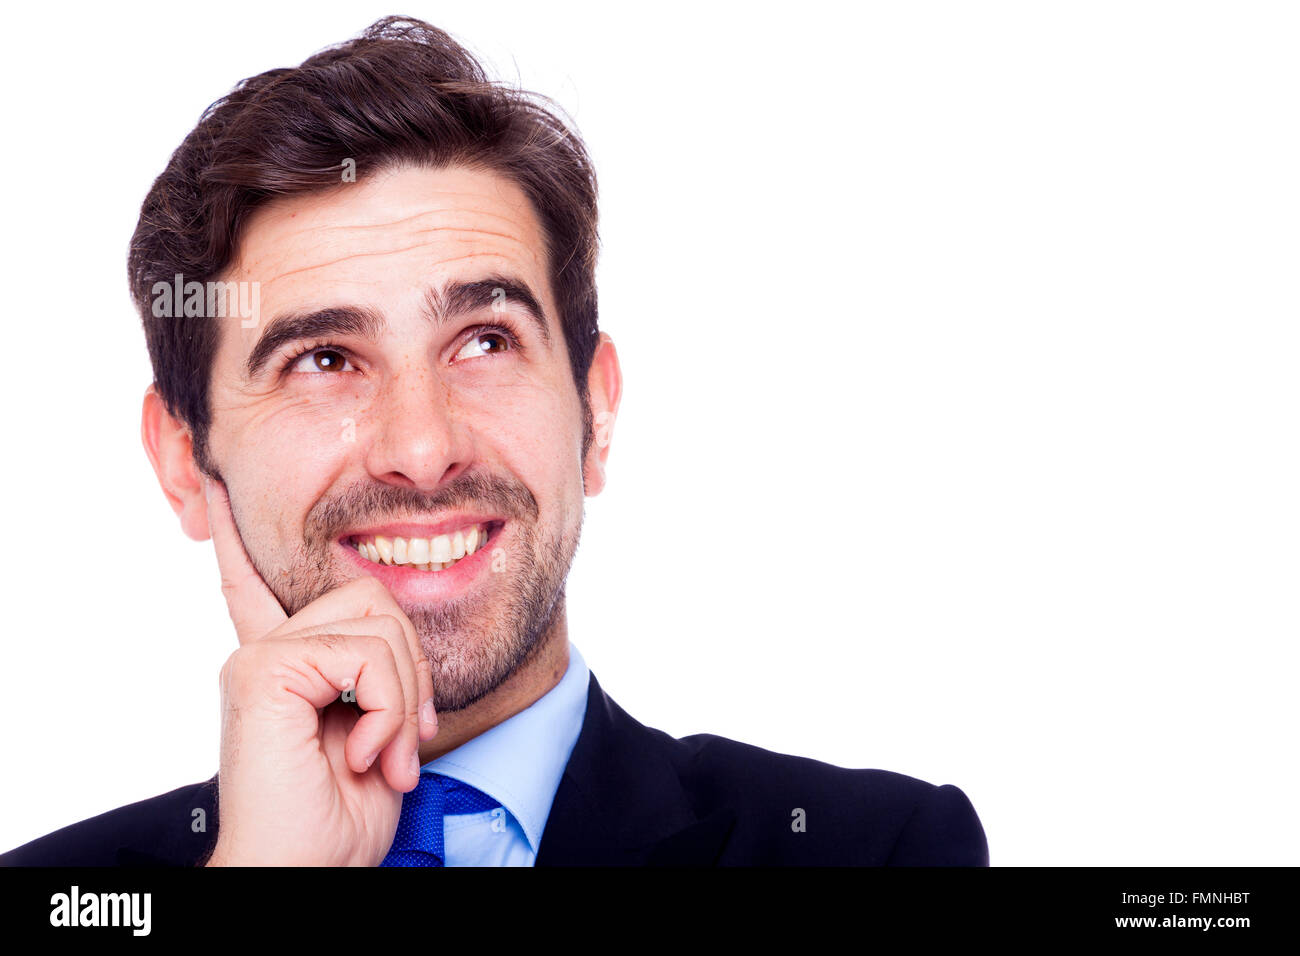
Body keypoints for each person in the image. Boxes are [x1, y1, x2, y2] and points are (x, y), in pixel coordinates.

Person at [0, 16, 987, 867]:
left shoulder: (880, 846)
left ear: (594, 411)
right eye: (324, 359)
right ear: (183, 460)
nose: (422, 449)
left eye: (483, 340)